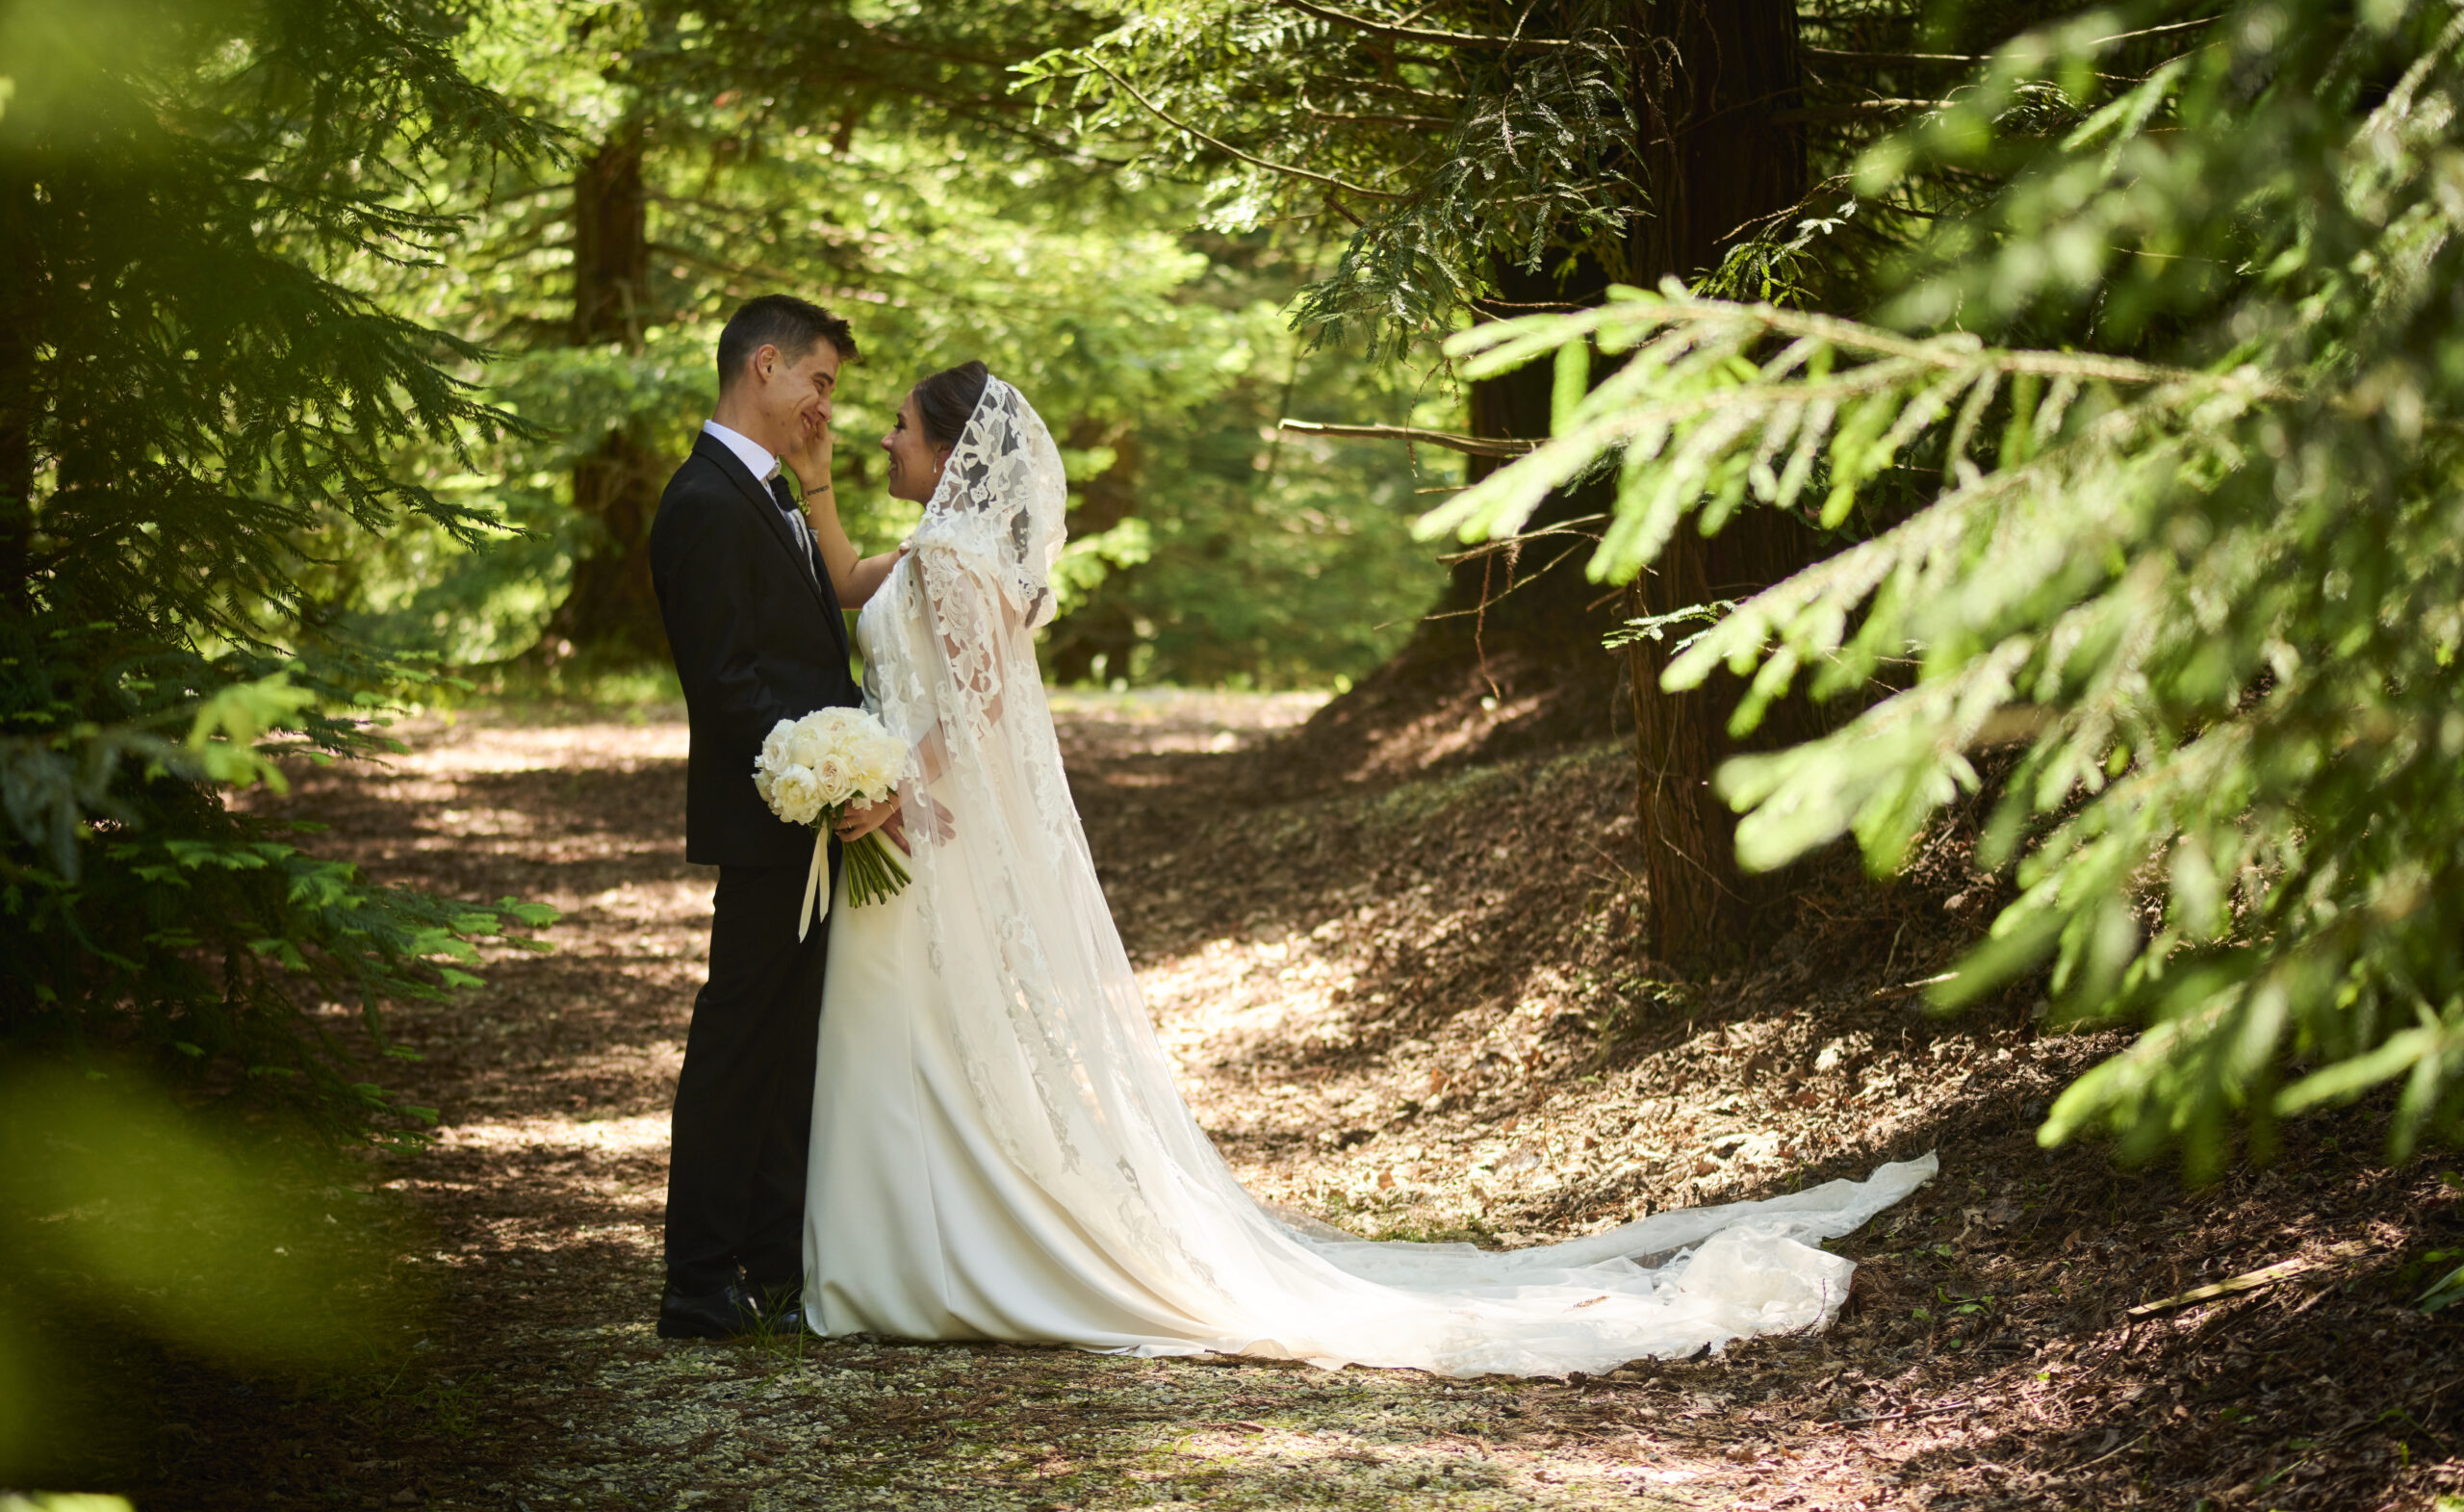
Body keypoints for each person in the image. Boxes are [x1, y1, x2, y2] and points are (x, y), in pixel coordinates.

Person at [797, 363, 1936, 1378]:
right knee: (924, 1044)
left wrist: (895, 783)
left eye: (898, 428)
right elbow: (851, 584)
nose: (883, 443)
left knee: (935, 1041)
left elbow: (976, 714)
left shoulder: (953, 563)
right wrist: (808, 481)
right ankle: (905, 1257)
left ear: (950, 452)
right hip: (911, 833)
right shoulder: (937, 556)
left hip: (918, 829)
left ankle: (928, 1263)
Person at [646, 295, 903, 1339]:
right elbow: (726, 682)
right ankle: (697, 1281)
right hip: (773, 816)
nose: (823, 407)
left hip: (800, 813)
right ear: (765, 365)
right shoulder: (705, 502)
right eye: (819, 383)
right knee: (736, 1045)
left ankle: (771, 1263)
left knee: (785, 1046)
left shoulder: (772, 495)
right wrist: (829, 775)